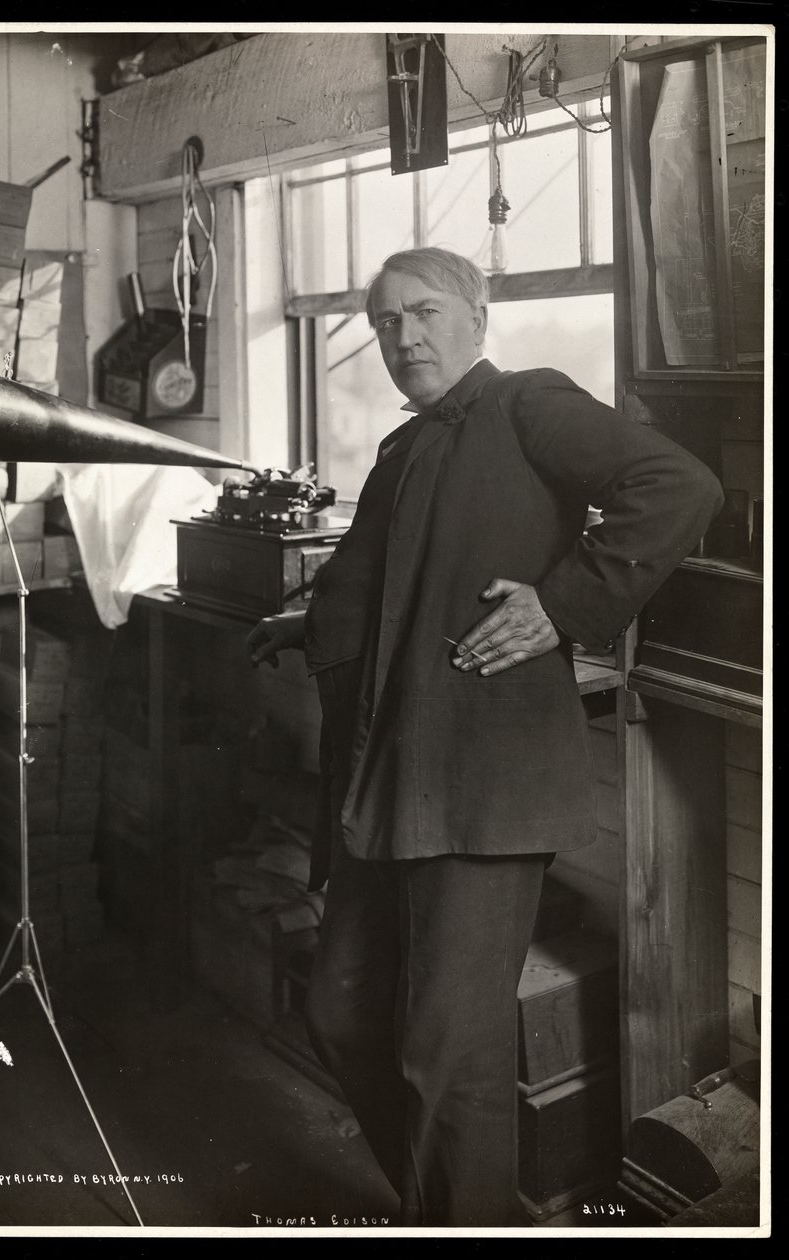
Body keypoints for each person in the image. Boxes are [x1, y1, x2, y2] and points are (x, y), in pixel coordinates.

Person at [245, 248, 724, 1228]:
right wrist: (313, 623)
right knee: (338, 1009)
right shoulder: (404, 447)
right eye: (382, 323)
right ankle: (450, 1210)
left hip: (478, 787)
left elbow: (677, 485)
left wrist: (561, 606)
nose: (402, 337)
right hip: (390, 782)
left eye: (421, 313)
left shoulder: (525, 405)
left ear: (475, 316)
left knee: (447, 1057)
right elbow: (390, 582)